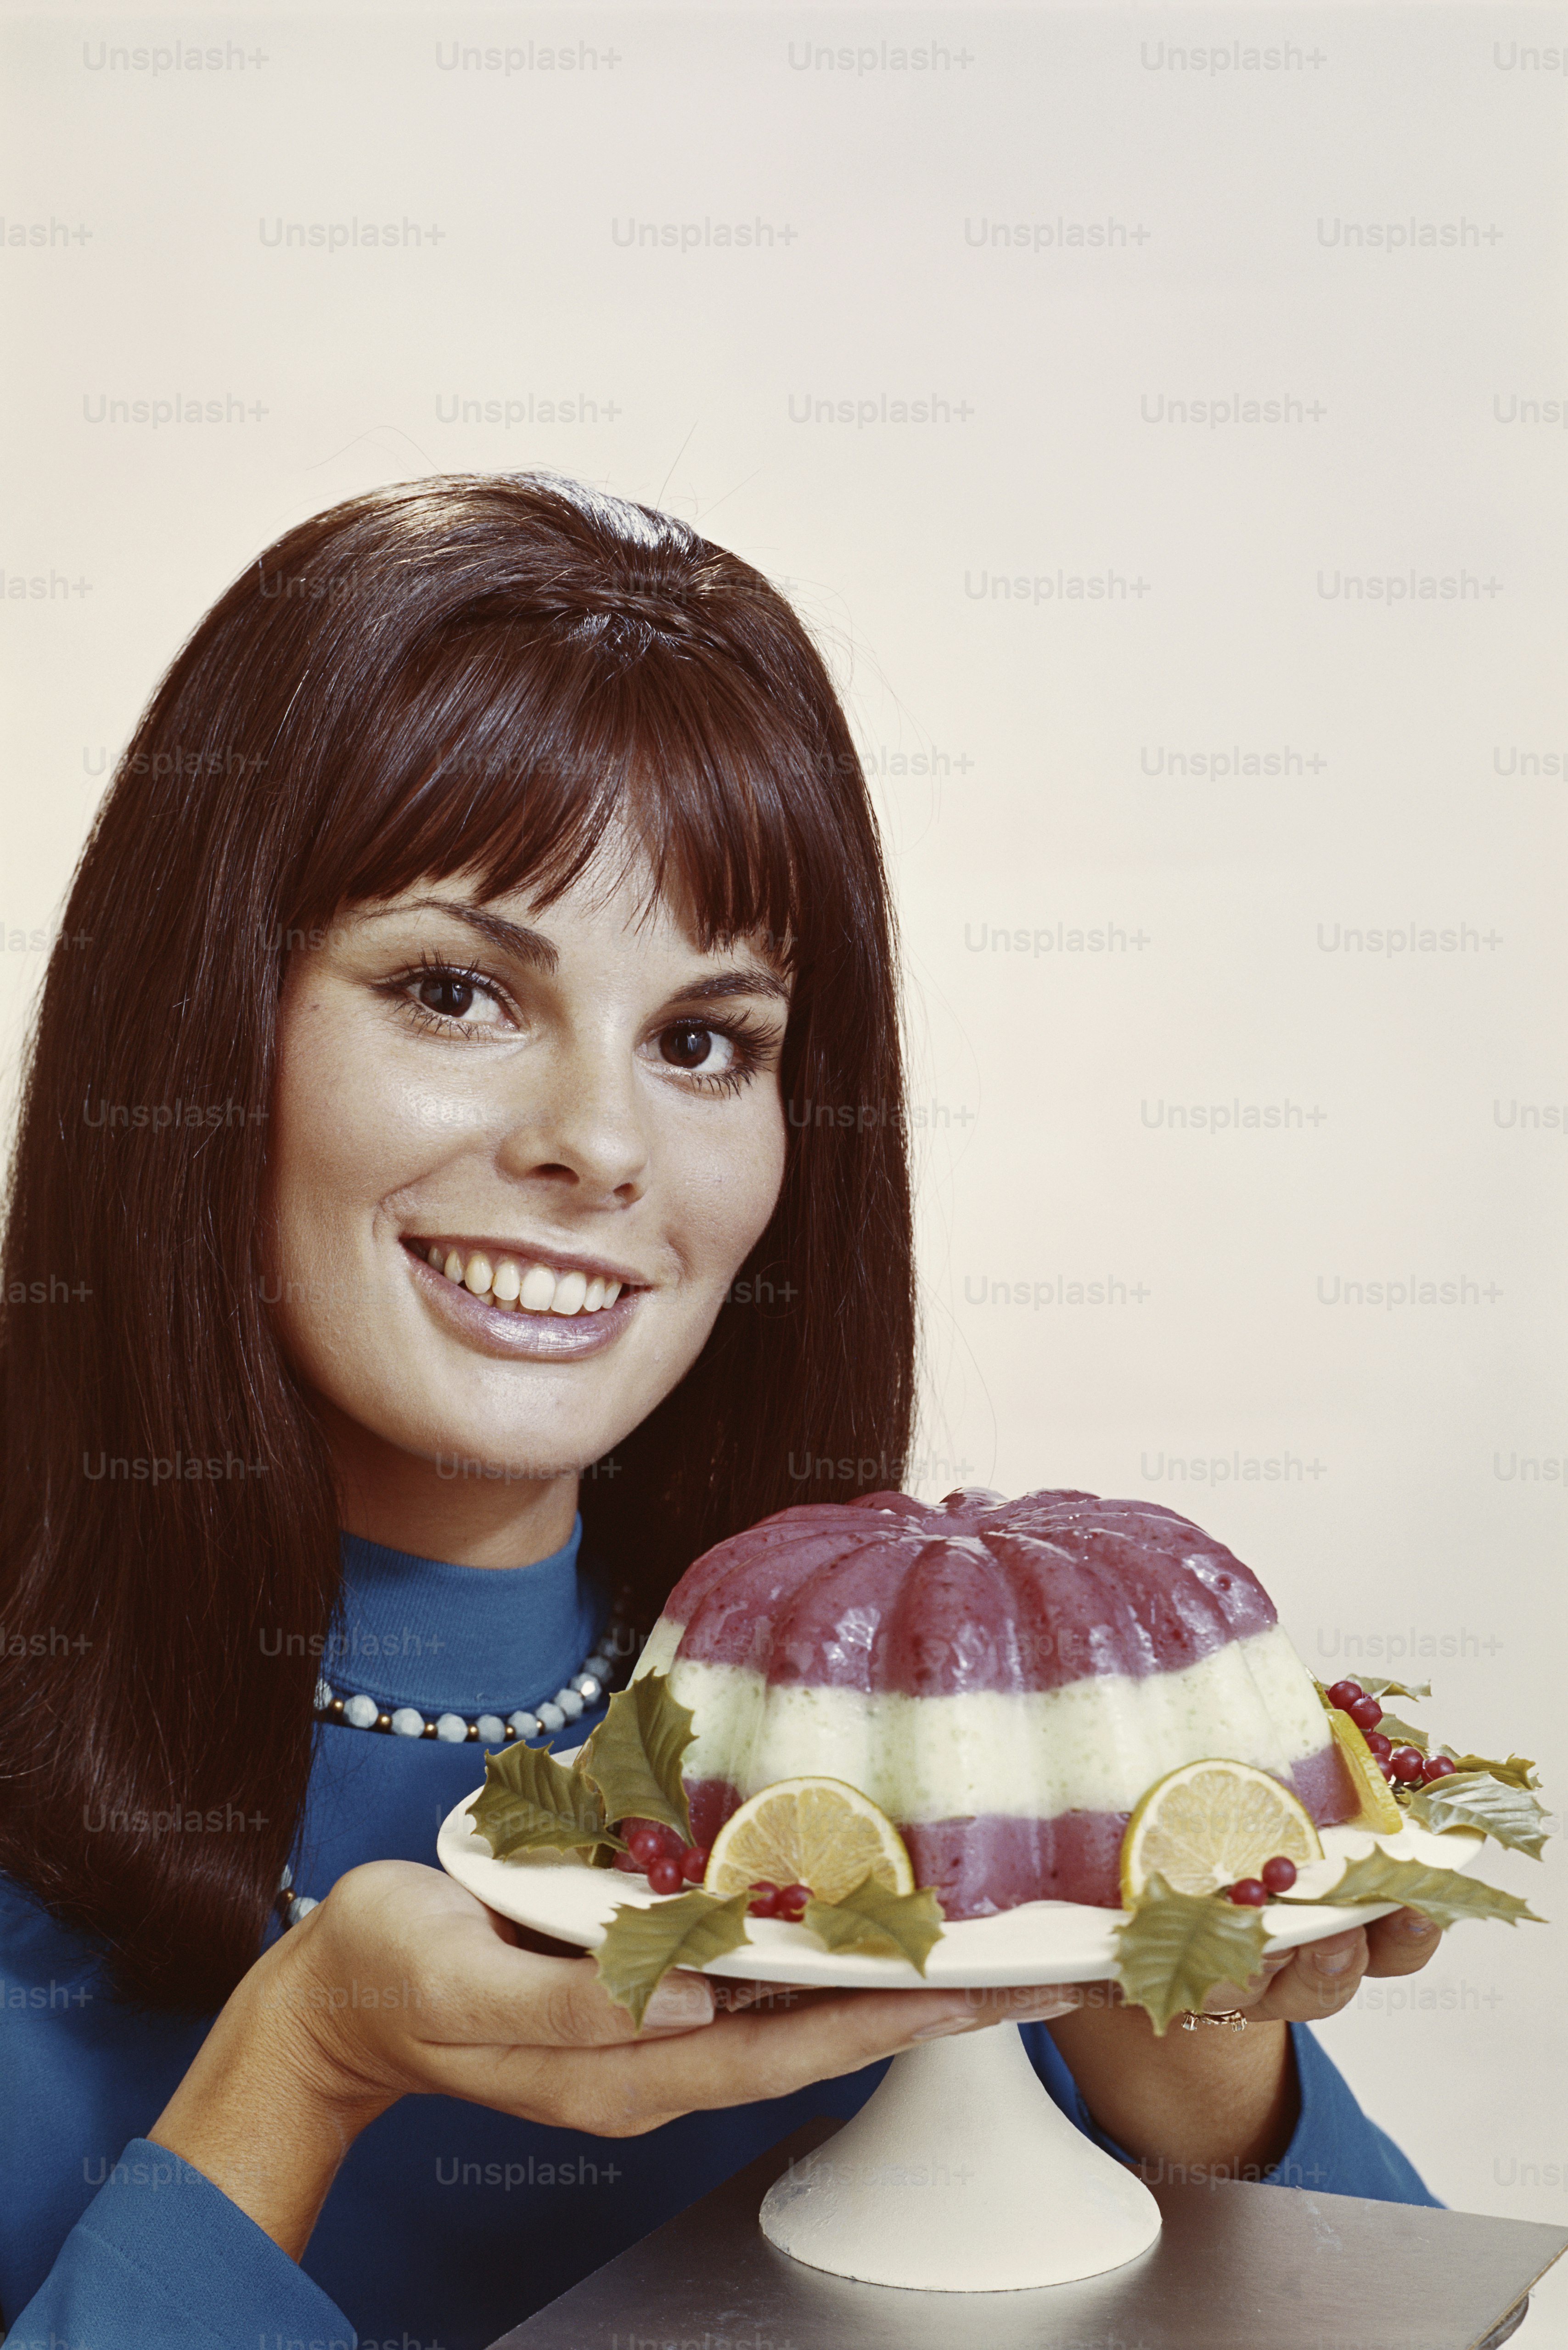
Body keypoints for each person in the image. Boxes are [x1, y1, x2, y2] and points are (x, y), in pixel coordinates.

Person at [0, 475, 1447, 2350]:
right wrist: (307, 2058)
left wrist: (1188, 2035)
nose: (600, 1145)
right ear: (205, 1027)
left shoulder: (886, 1780)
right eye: (455, 989)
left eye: (703, 1040)